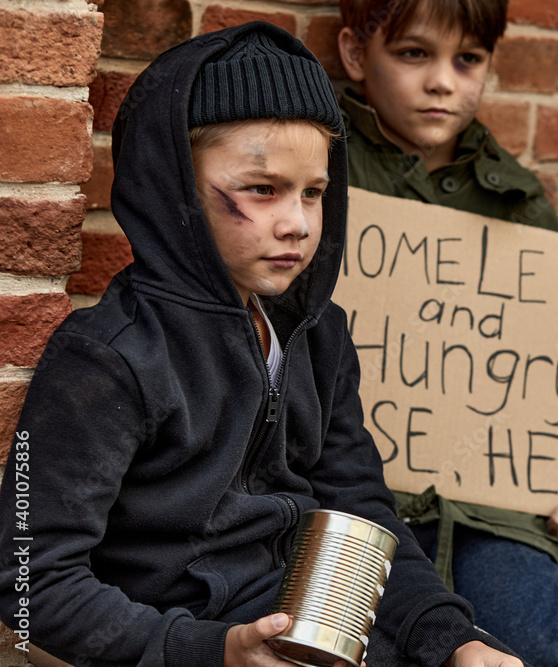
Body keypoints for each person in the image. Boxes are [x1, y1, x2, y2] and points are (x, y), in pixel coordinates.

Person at [0, 21, 525, 667]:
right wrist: (210, 650)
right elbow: (29, 584)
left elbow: (361, 516)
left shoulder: (319, 336)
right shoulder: (107, 357)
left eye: (315, 192)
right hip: (159, 643)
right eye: (261, 189)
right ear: (176, 191)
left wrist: (453, 640)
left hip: (294, 624)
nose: (298, 223)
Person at [334, 1, 558, 665]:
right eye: (414, 55)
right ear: (354, 54)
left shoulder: (516, 200)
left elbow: (555, 367)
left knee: (532, 644)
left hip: (491, 495)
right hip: (365, 485)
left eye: (467, 61)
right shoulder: (322, 167)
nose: (442, 82)